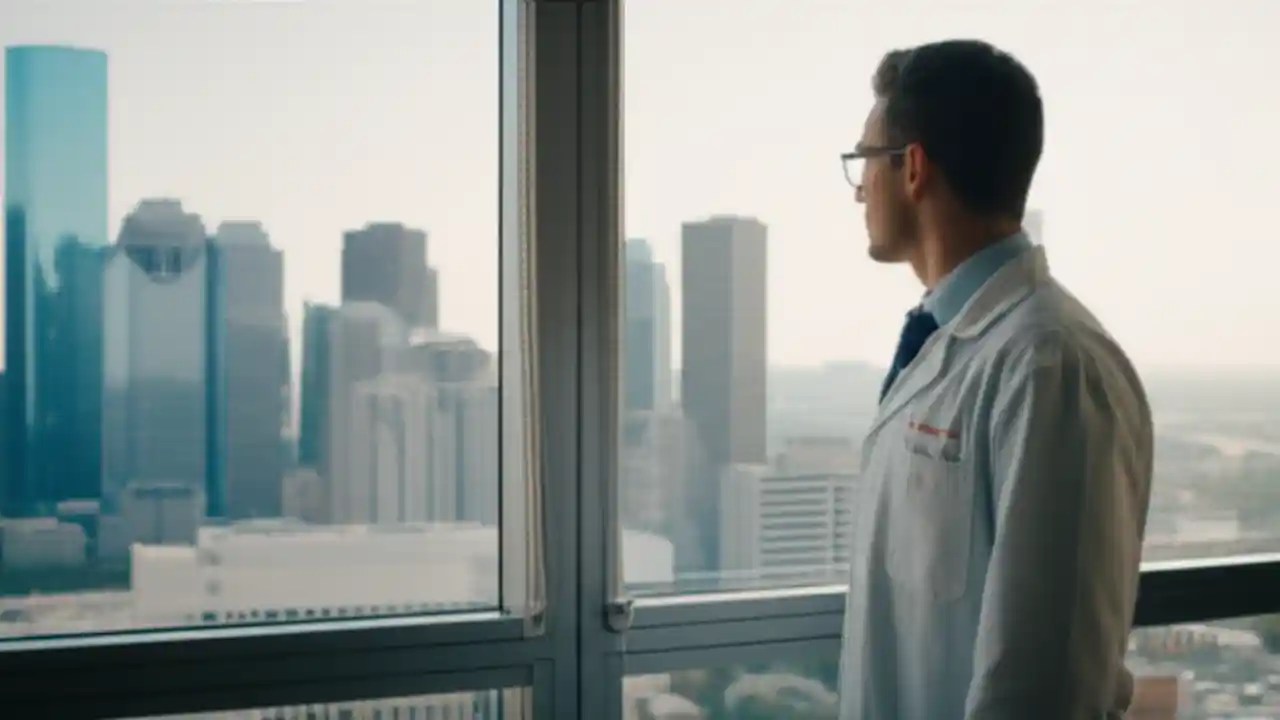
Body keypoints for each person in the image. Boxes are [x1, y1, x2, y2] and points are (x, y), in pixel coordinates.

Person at [837, 40, 1153, 719]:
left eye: (865, 161)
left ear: (913, 167)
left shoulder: (1052, 365)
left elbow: (1049, 677)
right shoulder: (951, 342)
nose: (860, 188)